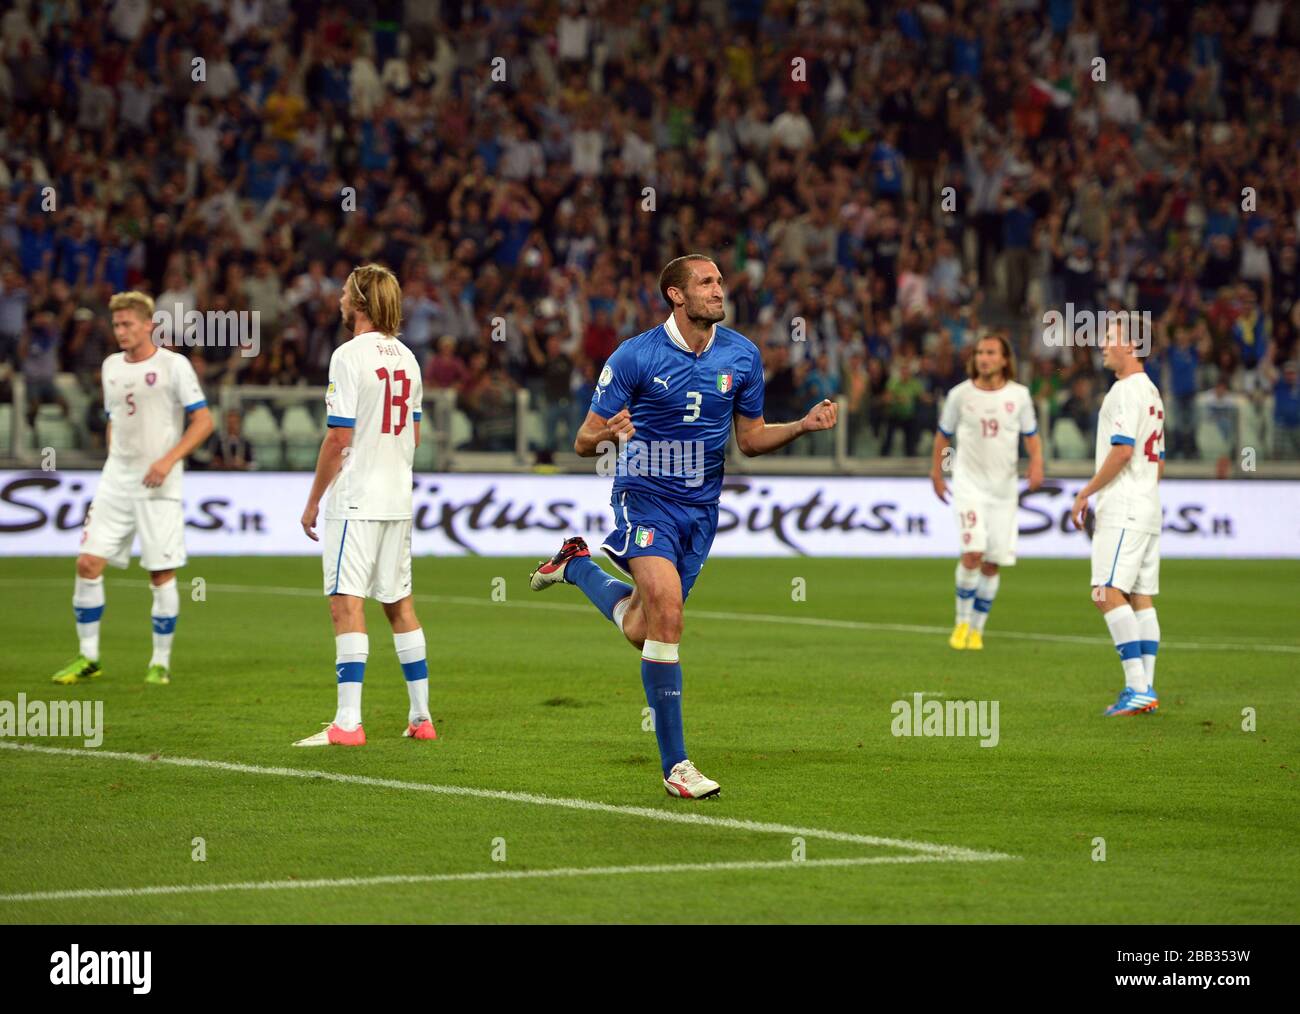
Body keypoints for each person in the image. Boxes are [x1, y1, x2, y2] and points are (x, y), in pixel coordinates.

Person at [528, 254, 837, 798]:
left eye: (720, 281)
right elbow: (582, 440)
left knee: (645, 628)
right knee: (668, 615)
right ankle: (678, 767)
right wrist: (611, 436)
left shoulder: (742, 355)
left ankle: (577, 566)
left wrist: (803, 426)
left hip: (701, 510)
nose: (720, 290)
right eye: (707, 282)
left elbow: (750, 439)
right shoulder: (635, 356)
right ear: (676, 295)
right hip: (644, 497)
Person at [295, 264, 435, 746]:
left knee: (346, 604)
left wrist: (314, 501)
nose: (337, 299)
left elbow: (338, 437)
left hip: (356, 499)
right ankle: (421, 717)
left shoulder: (347, 356)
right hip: (397, 497)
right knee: (399, 605)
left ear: (357, 301)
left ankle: (348, 724)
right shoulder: (409, 359)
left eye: (342, 292)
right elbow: (413, 433)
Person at [50, 291, 213, 686]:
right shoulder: (110, 367)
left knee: (160, 573)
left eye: (128, 324)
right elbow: (114, 417)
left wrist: (166, 460)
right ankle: (89, 656)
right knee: (87, 563)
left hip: (160, 482)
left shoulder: (174, 366)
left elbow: (204, 421)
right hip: (116, 480)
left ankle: (160, 661)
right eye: (117, 324)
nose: (120, 331)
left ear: (149, 325)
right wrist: (115, 455)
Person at [1070, 320, 1166, 716]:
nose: (1103, 345)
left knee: (1106, 593)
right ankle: (1146, 689)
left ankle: (1138, 688)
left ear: (1132, 344)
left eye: (1110, 338)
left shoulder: (1125, 391)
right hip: (1146, 504)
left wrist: (1087, 491)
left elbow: (1123, 451)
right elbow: (1157, 461)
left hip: (1124, 506)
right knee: (1139, 596)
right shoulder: (1153, 393)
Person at [931, 334, 1043, 650]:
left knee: (992, 562)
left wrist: (1037, 464)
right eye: (980, 352)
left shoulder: (1019, 396)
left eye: (991, 352)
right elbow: (943, 437)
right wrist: (937, 473)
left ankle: (978, 630)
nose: (984, 357)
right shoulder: (959, 395)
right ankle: (961, 623)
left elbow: (1031, 437)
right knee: (972, 553)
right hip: (968, 485)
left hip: (1004, 490)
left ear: (1005, 359)